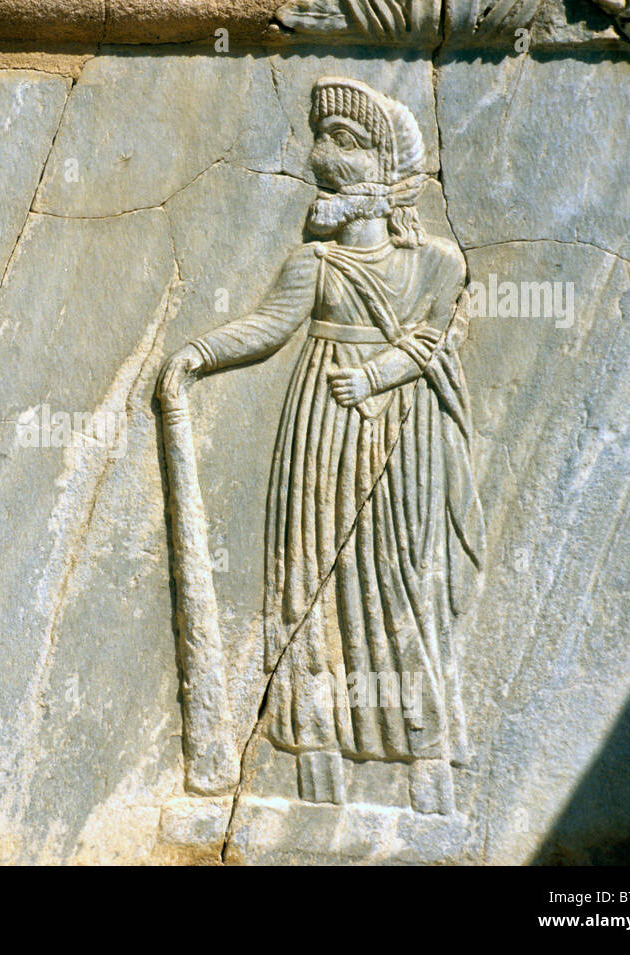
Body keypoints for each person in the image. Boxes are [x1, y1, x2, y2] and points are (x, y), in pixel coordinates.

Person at [158, 76, 485, 813]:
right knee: (311, 586)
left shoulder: (437, 262)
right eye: (322, 137)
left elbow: (436, 343)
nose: (323, 152)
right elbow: (268, 328)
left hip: (395, 433)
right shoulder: (313, 263)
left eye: (346, 138)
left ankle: (427, 771)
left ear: (385, 161)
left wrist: (372, 374)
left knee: (399, 584)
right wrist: (197, 356)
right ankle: (318, 772)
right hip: (317, 436)